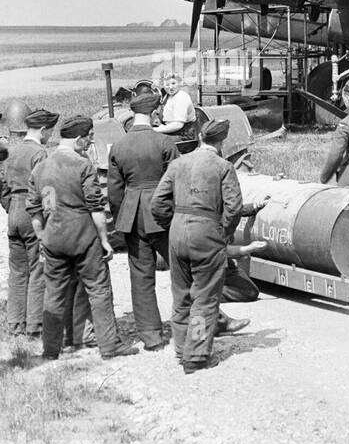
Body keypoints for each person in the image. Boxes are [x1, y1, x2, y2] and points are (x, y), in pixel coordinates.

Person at [27, 115, 138, 361]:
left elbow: (38, 208)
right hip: (83, 236)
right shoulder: (82, 165)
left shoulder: (41, 166)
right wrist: (105, 239)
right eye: (88, 138)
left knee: (54, 293)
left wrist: (42, 237)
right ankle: (109, 347)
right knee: (99, 290)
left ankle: (51, 350)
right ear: (78, 139)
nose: (89, 143)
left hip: (53, 237)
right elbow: (95, 208)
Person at [150, 118, 254, 373]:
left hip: (177, 232)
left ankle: (181, 348)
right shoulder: (223, 167)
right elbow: (233, 208)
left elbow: (157, 204)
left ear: (199, 138)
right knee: (205, 297)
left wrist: (171, 224)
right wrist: (223, 234)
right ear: (221, 142)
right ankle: (195, 356)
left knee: (181, 294)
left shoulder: (178, 163)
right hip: (207, 233)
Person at [107, 92, 179, 351]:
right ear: (155, 113)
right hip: (163, 214)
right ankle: (207, 320)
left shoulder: (118, 146)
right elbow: (177, 183)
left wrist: (122, 219)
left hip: (132, 214)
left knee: (141, 275)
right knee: (185, 269)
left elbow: (114, 194)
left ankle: (151, 335)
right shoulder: (165, 143)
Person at [3, 107, 57, 338]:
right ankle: (35, 325)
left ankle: (15, 323)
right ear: (43, 130)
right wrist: (51, 218)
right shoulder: (40, 153)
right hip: (31, 212)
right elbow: (45, 190)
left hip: (14, 212)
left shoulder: (12, 152)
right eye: (50, 132)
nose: (50, 137)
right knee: (38, 268)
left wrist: (11, 207)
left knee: (17, 271)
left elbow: (2, 185)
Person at [155, 72, 197, 144]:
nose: (170, 87)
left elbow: (178, 125)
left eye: (173, 83)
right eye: (167, 84)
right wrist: (159, 124)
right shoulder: (167, 96)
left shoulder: (181, 97)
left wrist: (156, 129)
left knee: (155, 142)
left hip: (183, 134)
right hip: (170, 130)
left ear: (179, 83)